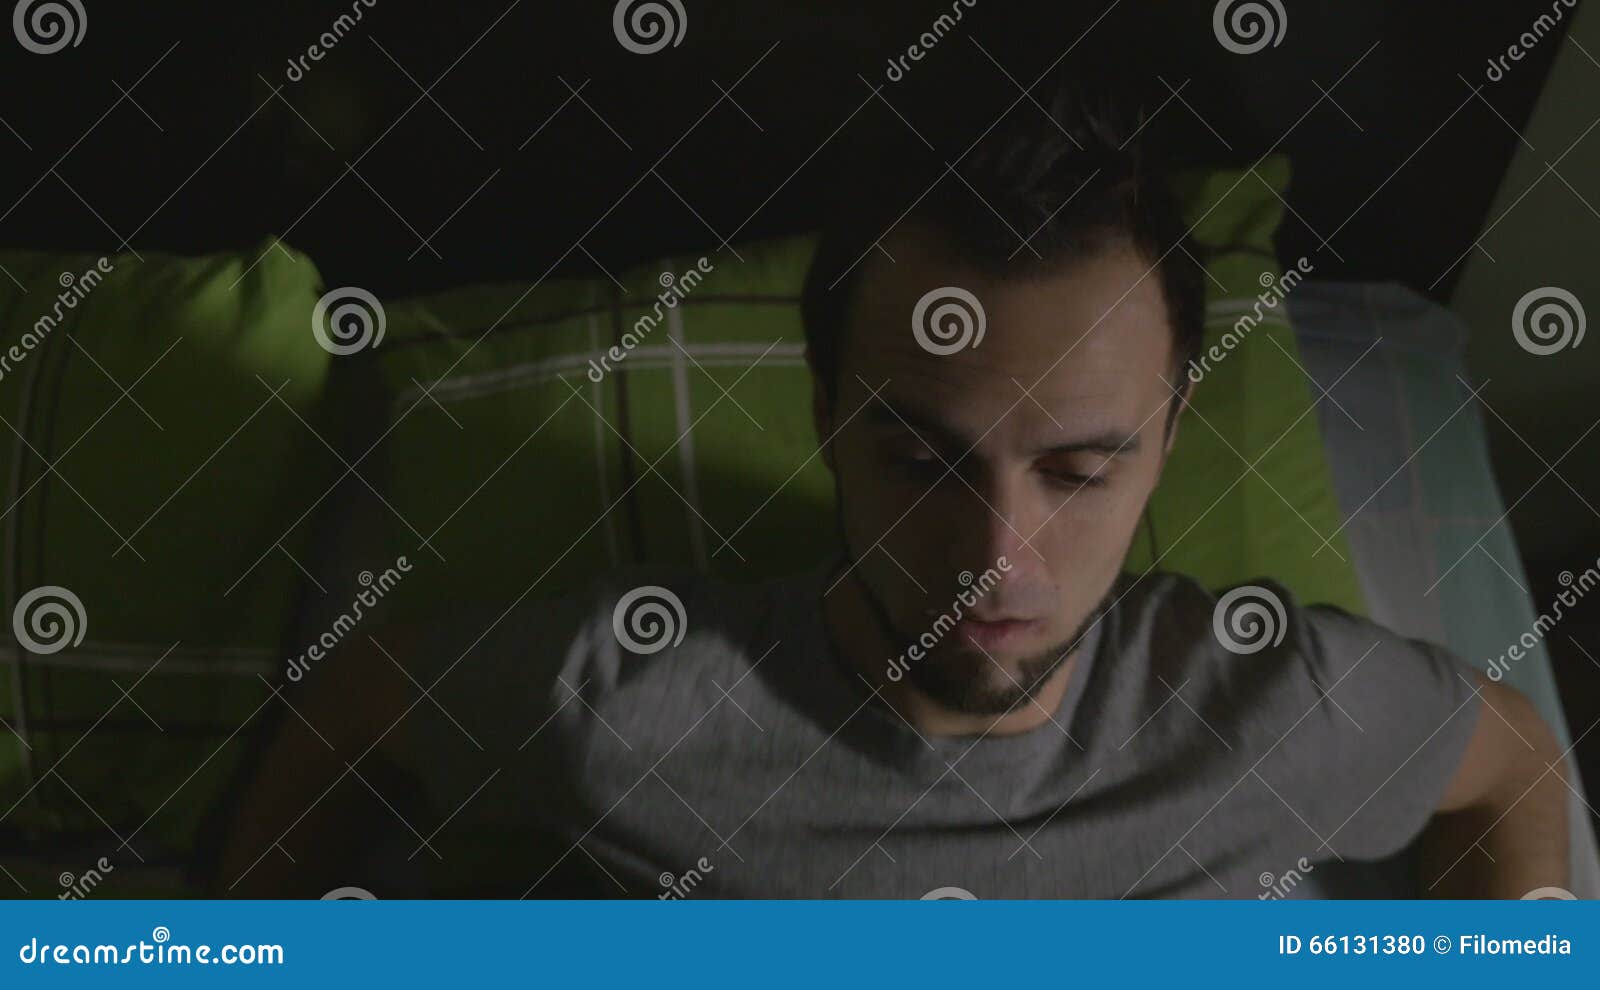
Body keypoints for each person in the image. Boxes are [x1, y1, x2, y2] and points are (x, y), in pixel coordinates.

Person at [216, 77, 1569, 899]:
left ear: (1169, 435)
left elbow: (1512, 760)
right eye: (922, 459)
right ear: (825, 417)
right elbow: (366, 692)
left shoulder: (1280, 712)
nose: (995, 556)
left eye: (1081, 471)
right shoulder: (634, 708)